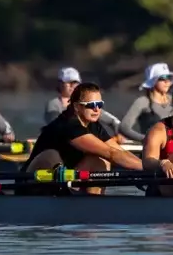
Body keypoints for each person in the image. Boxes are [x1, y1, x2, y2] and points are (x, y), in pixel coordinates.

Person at [28, 82, 165, 195]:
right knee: (103, 157)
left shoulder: (93, 125)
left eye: (100, 105)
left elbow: (118, 150)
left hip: (62, 180)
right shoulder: (68, 125)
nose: (97, 109)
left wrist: (148, 165)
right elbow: (111, 153)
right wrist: (155, 169)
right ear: (76, 107)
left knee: (100, 161)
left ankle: (92, 204)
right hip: (33, 182)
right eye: (91, 105)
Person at [44, 66, 122, 133]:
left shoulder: (85, 104)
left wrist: (119, 132)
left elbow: (113, 121)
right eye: (68, 82)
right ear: (60, 84)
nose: (72, 86)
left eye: (75, 83)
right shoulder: (54, 104)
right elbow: (55, 126)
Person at [119, 62, 173, 141]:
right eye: (163, 78)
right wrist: (146, 139)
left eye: (169, 77)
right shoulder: (142, 102)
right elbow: (124, 127)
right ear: (153, 81)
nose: (167, 81)